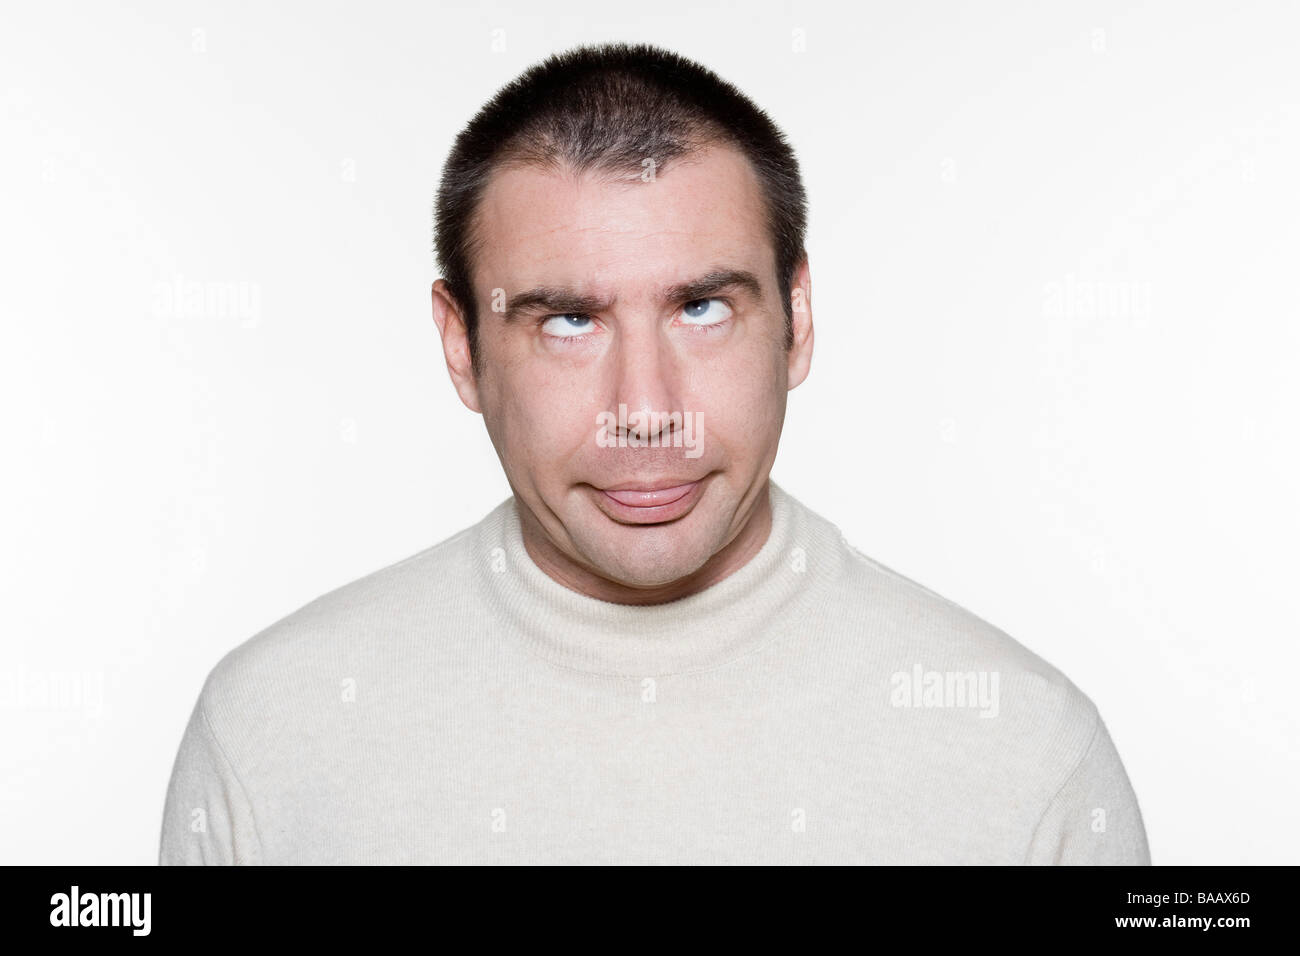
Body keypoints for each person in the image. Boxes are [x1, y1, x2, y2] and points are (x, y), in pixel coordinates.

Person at [159, 41, 1150, 865]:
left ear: (796, 320)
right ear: (461, 345)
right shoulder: (272, 728)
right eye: (569, 321)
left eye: (702, 307)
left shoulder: (1022, 750)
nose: (644, 411)